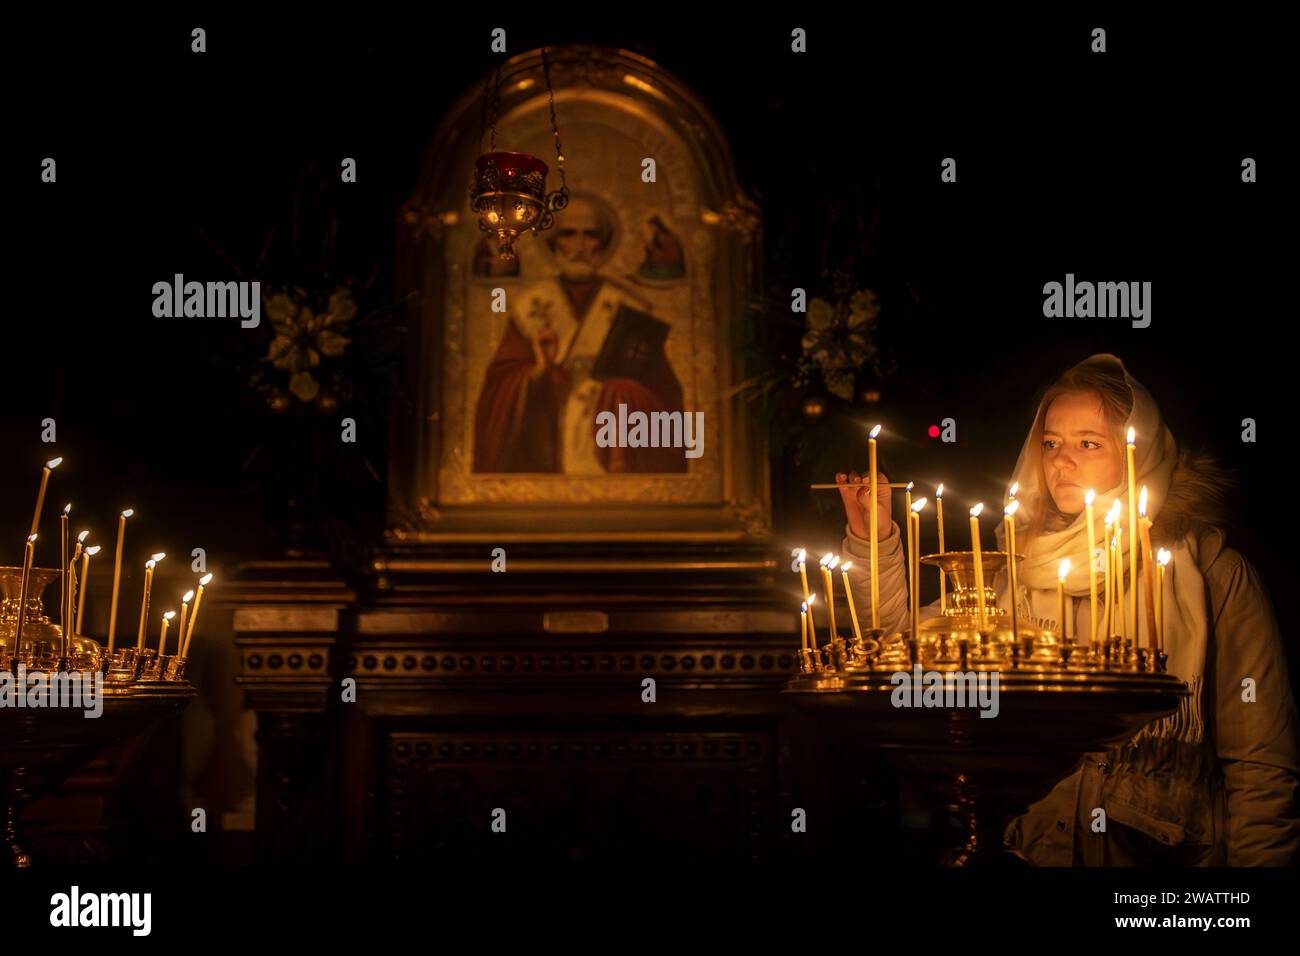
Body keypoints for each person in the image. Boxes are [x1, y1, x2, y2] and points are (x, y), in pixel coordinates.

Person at [837, 353, 1300, 865]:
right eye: (1051, 442)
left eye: (1088, 443)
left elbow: (1260, 766)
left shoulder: (1213, 575)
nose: (1062, 460)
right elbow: (899, 653)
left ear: (1139, 454)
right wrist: (873, 539)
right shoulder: (1015, 569)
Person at [473, 195, 685, 474]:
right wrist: (539, 372)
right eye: (569, 234)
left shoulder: (629, 306)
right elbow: (499, 390)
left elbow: (664, 394)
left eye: (591, 235)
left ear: (604, 242)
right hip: (548, 438)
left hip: (614, 434)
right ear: (553, 241)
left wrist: (623, 393)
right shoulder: (531, 306)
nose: (580, 246)